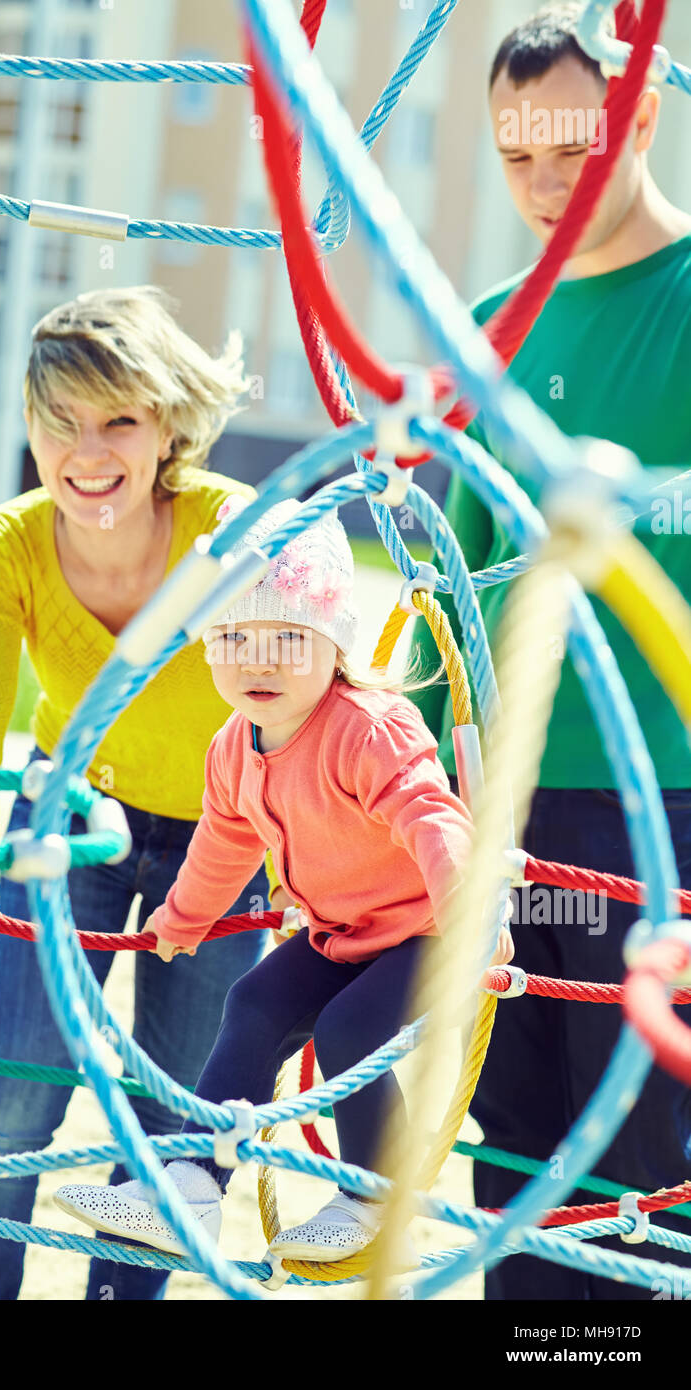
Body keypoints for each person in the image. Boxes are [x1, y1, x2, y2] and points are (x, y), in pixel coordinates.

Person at [407, 3, 691, 1300]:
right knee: (513, 1141)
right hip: (508, 808)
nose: (540, 186)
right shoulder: (488, 326)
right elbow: (446, 599)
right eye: (514, 158)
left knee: (645, 1146)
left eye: (570, 150)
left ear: (638, 118)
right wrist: (411, 789)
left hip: (664, 810)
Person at [0, 286, 270, 1301]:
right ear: (28, 424)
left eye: (118, 418)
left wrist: (301, 862)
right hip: (69, 827)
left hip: (221, 841)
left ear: (166, 427)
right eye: (60, 421)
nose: (88, 450)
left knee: (170, 1117)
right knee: (16, 1103)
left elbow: (292, 701)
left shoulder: (227, 527)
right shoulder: (5, 544)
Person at [51, 497, 513, 1261]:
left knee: (347, 1029)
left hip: (429, 931)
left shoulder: (368, 726)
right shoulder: (233, 747)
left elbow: (434, 818)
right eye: (232, 636)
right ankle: (193, 1187)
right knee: (254, 1000)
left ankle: (375, 1196)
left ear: (333, 647)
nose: (258, 660)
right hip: (341, 934)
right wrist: (182, 918)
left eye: (289, 638)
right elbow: (225, 843)